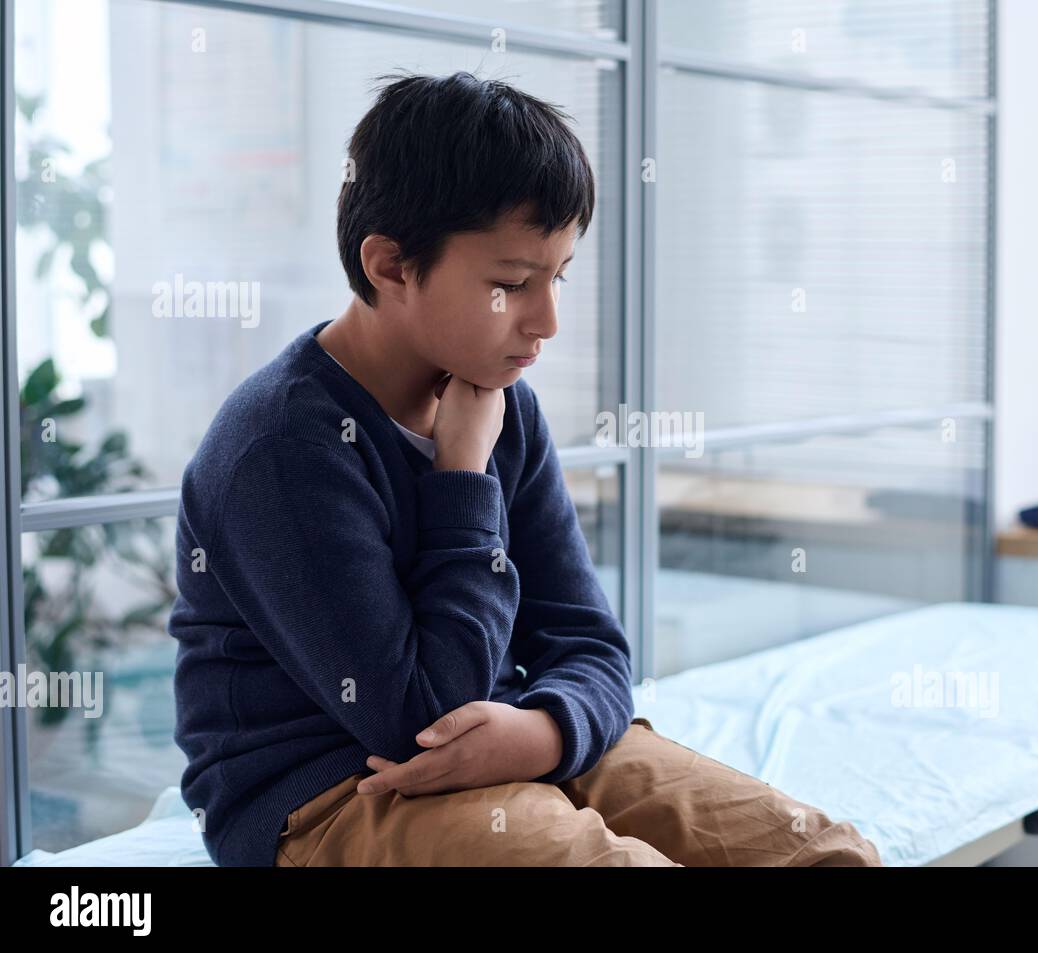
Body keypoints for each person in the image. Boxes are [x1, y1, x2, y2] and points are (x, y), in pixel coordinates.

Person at [169, 70, 883, 868]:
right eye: (511, 285)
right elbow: (419, 715)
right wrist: (462, 476)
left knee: (824, 853)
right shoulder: (280, 446)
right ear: (391, 265)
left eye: (558, 276)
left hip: (515, 735)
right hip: (333, 794)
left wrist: (545, 732)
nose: (545, 323)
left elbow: (593, 647)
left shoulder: (505, 400)